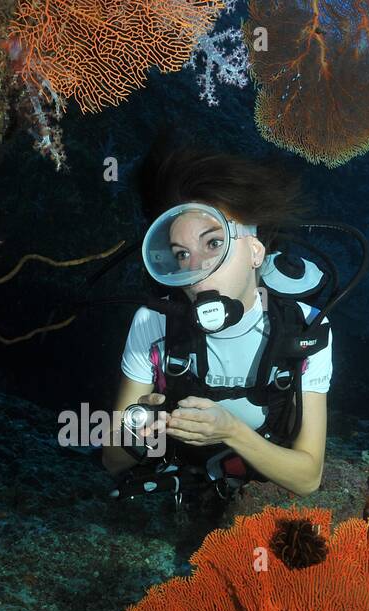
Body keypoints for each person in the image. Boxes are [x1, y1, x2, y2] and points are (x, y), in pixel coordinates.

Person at [101, 139, 333, 504]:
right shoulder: (153, 323)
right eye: (182, 254)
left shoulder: (307, 330)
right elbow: (112, 460)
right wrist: (140, 429)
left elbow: (307, 478)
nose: (196, 272)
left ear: (255, 251)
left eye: (213, 245)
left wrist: (231, 432)